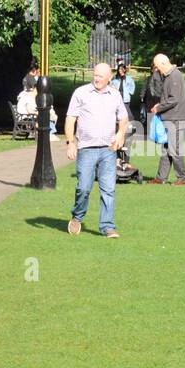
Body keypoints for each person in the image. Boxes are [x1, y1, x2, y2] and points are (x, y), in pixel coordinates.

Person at [65, 63, 129, 238]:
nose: (97, 78)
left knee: (108, 189)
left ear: (109, 78)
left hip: (108, 149)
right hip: (86, 148)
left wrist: (121, 133)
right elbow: (70, 119)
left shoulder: (115, 95)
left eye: (101, 76)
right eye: (95, 75)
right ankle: (77, 217)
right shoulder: (81, 93)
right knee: (84, 188)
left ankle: (107, 226)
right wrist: (70, 142)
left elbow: (123, 118)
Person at [148, 53, 185, 184]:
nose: (156, 69)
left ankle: (182, 178)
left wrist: (158, 108)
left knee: (174, 149)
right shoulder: (169, 76)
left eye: (156, 66)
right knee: (166, 149)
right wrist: (159, 105)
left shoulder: (175, 76)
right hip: (170, 117)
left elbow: (174, 99)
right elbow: (168, 98)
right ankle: (161, 178)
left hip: (176, 118)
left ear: (163, 63)